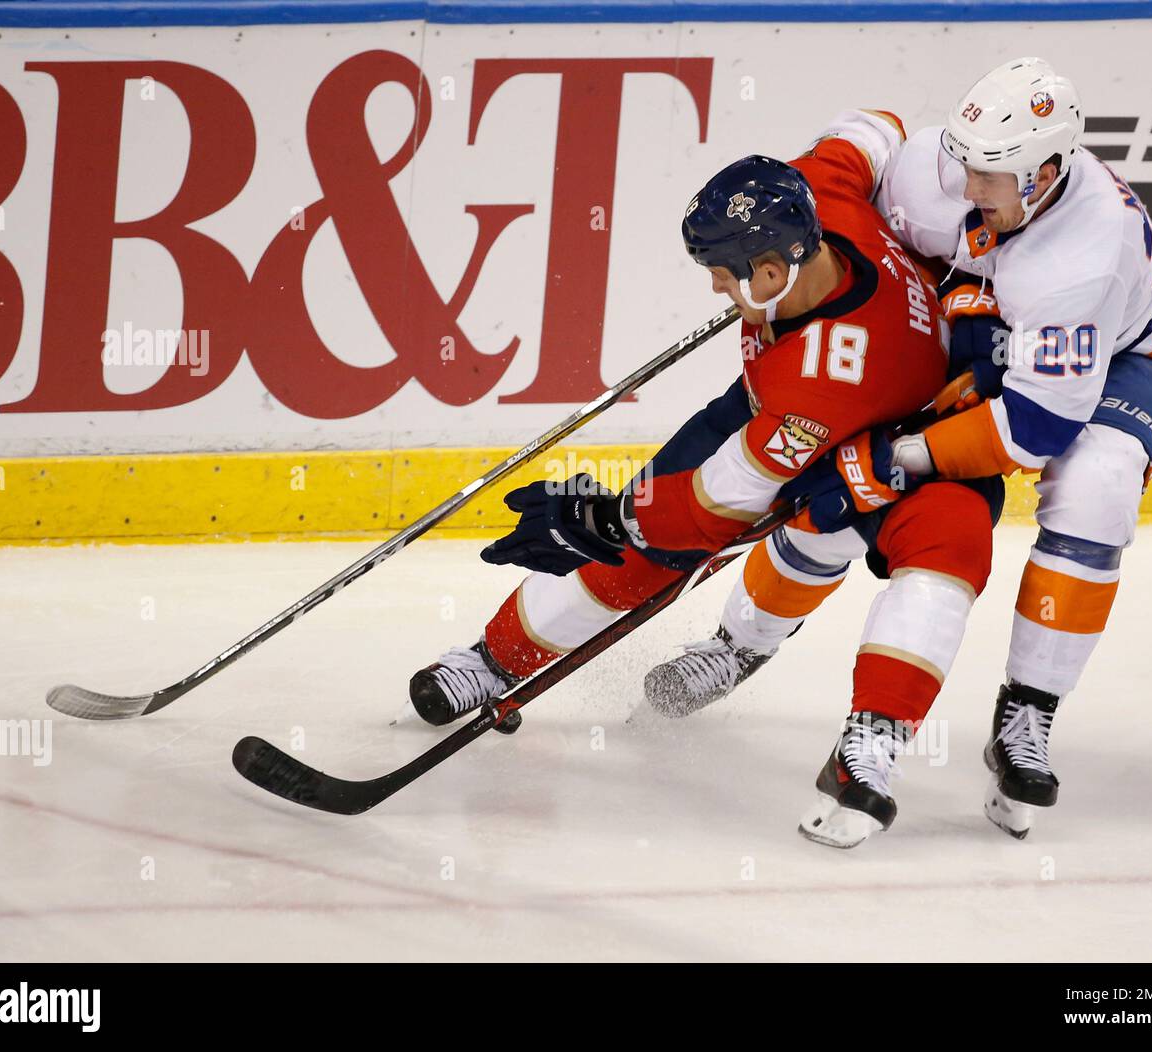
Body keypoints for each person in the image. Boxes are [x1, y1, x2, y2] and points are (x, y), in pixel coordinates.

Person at [407, 115, 1001, 847]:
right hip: (764, 409)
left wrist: (610, 517)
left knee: (653, 546)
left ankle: (840, 722)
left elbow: (719, 501)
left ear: (774, 273)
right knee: (642, 543)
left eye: (723, 275)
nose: (718, 289)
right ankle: (497, 658)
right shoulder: (823, 198)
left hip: (866, 442)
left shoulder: (824, 382)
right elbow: (873, 128)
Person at [649, 57, 1152, 840]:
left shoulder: (1081, 262)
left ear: (1044, 172)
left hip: (1116, 360)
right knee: (829, 477)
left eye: (993, 176)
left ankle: (1027, 712)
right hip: (970, 341)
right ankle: (739, 645)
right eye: (966, 164)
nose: (969, 188)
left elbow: (1033, 430)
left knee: (1096, 487)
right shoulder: (945, 170)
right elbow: (860, 160)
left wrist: (896, 459)